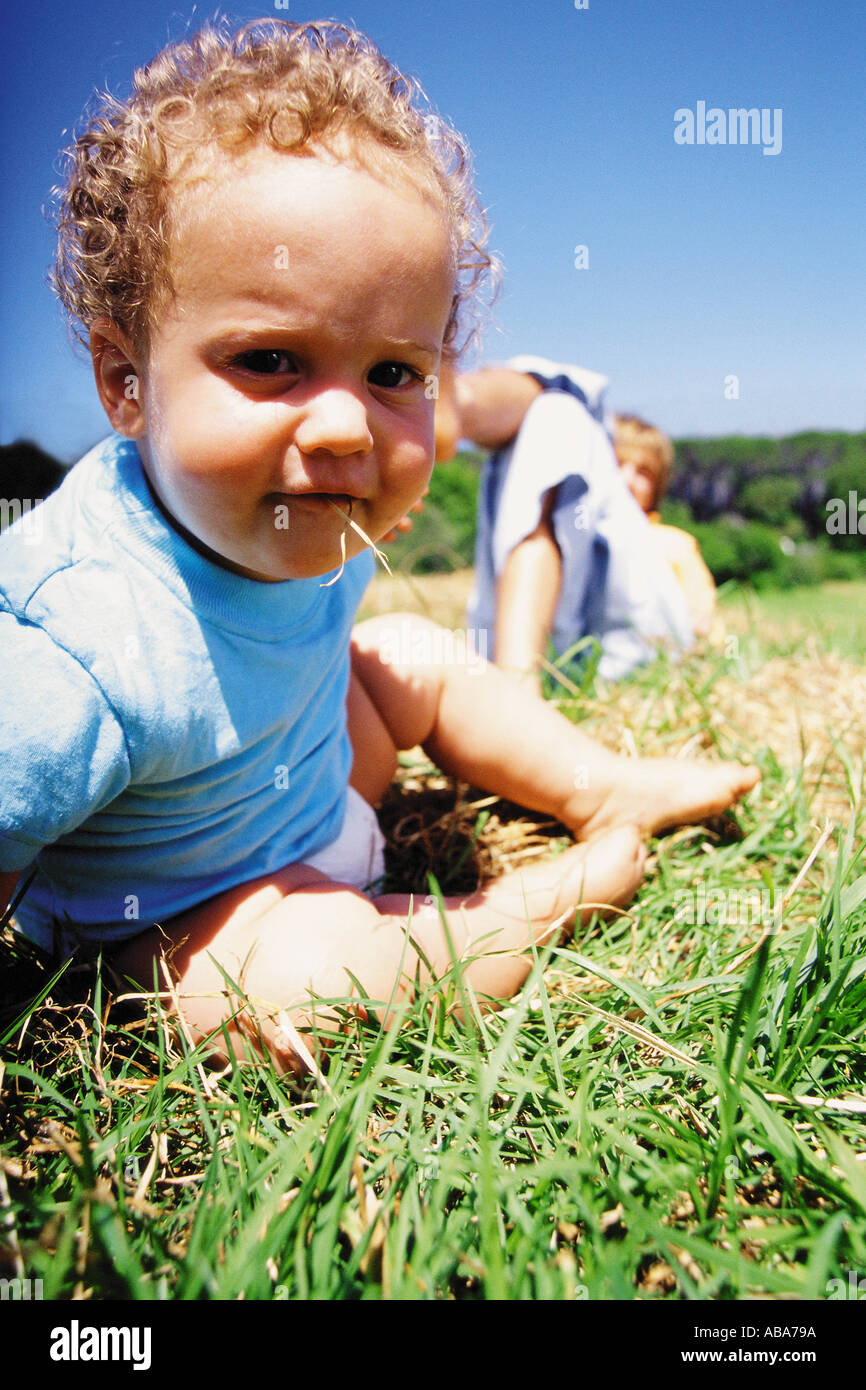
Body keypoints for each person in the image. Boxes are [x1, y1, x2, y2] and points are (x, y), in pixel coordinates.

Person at [0, 19, 759, 1076]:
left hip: (310, 774)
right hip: (190, 905)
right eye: (271, 359)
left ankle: (595, 781)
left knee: (415, 656)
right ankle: (525, 906)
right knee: (313, 982)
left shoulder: (313, 512)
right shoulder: (74, 641)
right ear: (125, 382)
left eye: (393, 375)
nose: (348, 430)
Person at [438, 358, 713, 688]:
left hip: (640, 652)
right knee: (556, 414)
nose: (627, 479)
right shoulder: (578, 513)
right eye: (618, 464)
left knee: (559, 413)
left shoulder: (674, 543)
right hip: (567, 651)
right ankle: (449, 403)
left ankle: (452, 402)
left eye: (644, 472)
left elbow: (700, 617)